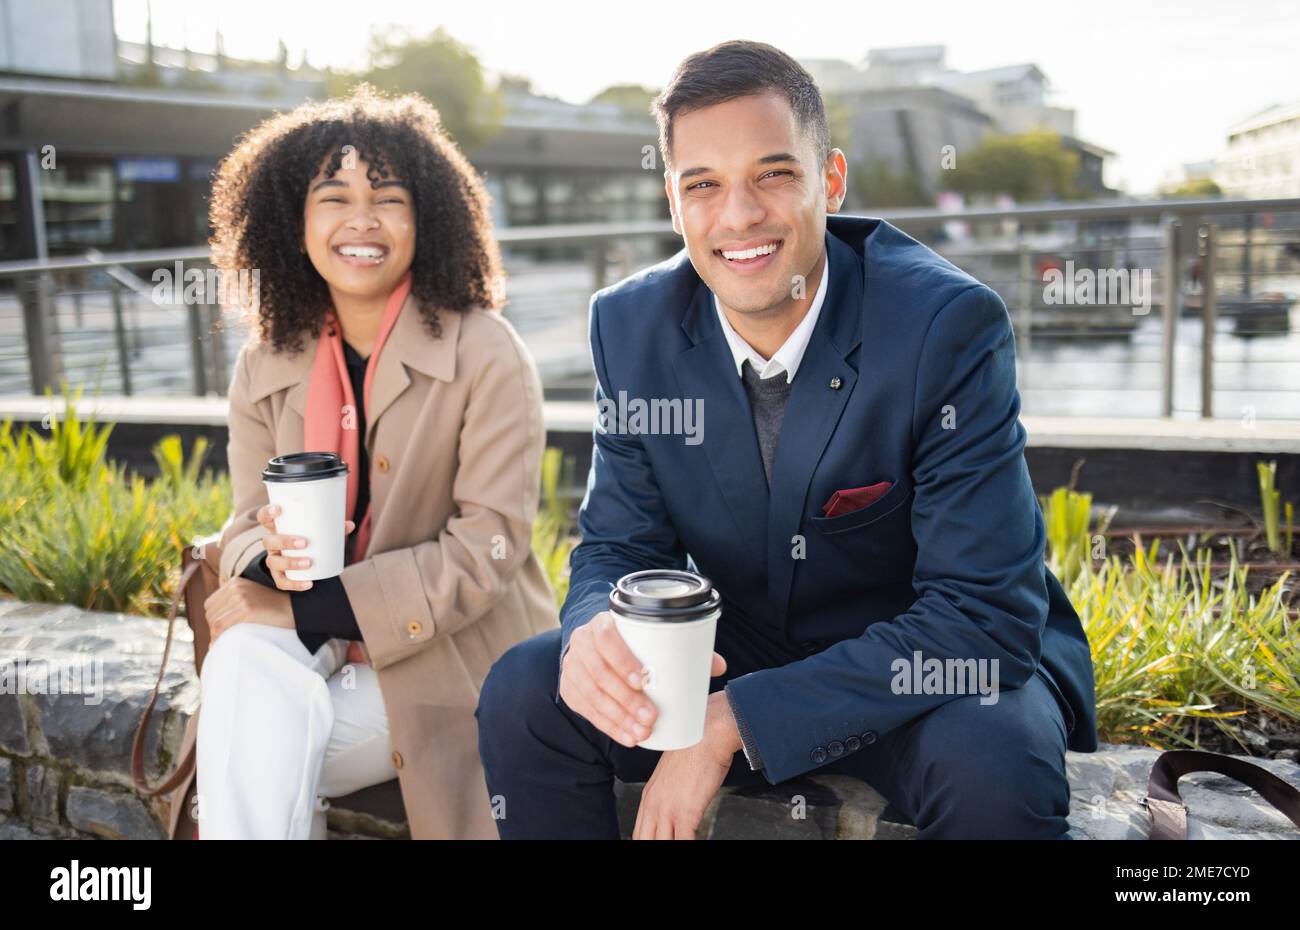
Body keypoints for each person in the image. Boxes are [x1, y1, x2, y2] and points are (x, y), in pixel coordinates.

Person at [476, 41, 1098, 840]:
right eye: (702, 184)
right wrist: (598, 628)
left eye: (773, 174)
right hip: (749, 638)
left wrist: (734, 719)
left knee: (995, 765)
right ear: (673, 200)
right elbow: (616, 545)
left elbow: (981, 614)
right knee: (528, 691)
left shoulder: (945, 325)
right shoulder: (629, 327)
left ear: (830, 180)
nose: (737, 216)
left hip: (925, 663)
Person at [189, 85, 558, 839]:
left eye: (388, 197)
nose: (362, 219)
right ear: (293, 222)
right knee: (246, 671)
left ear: (428, 219)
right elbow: (241, 523)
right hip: (312, 641)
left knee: (256, 739)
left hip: (457, 653)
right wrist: (267, 561)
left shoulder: (486, 352)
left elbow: (486, 551)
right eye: (333, 197)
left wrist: (307, 606)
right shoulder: (266, 359)